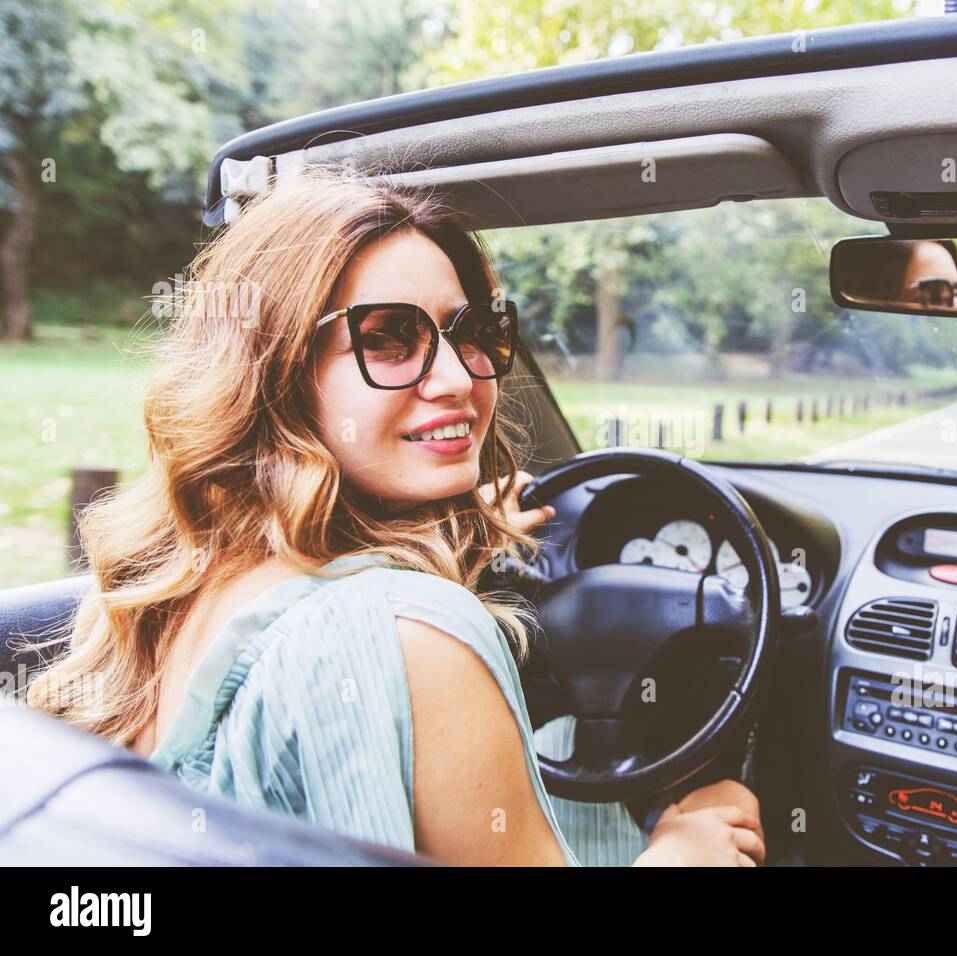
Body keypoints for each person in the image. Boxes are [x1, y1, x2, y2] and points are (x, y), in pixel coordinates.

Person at [25, 167, 764, 867]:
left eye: (469, 330)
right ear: (272, 371)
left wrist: (458, 540)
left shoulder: (179, 580)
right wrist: (681, 850)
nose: (455, 378)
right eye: (385, 338)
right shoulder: (413, 634)